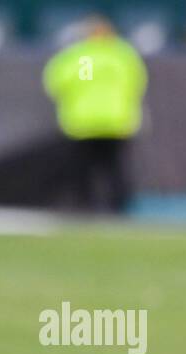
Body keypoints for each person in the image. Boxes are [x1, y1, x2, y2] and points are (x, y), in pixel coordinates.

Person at [42, 17, 147, 213]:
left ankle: (85, 208)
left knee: (84, 170)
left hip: (84, 122)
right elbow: (138, 83)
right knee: (114, 170)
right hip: (117, 121)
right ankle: (118, 210)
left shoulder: (82, 56)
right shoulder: (123, 55)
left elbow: (57, 83)